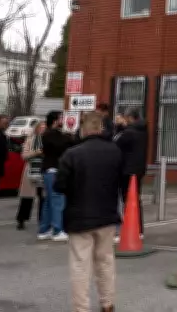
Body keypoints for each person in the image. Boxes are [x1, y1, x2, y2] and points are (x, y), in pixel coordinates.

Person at [55, 111, 123, 312]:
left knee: (80, 264)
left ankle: (81, 308)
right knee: (106, 261)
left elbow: (59, 185)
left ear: (83, 129)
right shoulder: (115, 151)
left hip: (79, 215)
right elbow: (122, 179)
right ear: (100, 127)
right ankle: (107, 303)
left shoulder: (72, 154)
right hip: (107, 214)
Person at [38, 111, 72, 241]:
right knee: (58, 200)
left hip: (49, 170)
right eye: (61, 118)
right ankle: (57, 230)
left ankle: (44, 229)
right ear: (55, 120)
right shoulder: (52, 134)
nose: (63, 120)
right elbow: (62, 145)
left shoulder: (49, 134)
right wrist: (69, 136)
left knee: (49, 201)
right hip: (53, 170)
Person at [115, 108, 148, 239]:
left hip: (127, 170)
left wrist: (119, 127)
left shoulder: (128, 132)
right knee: (135, 199)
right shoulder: (143, 130)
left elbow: (116, 142)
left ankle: (129, 228)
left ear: (129, 118)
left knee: (126, 200)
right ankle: (139, 229)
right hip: (139, 169)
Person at [16, 121, 46, 230]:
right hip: (31, 170)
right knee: (27, 197)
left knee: (43, 197)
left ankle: (42, 220)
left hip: (43, 171)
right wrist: (35, 153)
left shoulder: (47, 140)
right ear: (36, 128)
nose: (43, 129)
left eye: (44, 127)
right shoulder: (30, 139)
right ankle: (21, 220)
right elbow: (24, 156)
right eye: (41, 127)